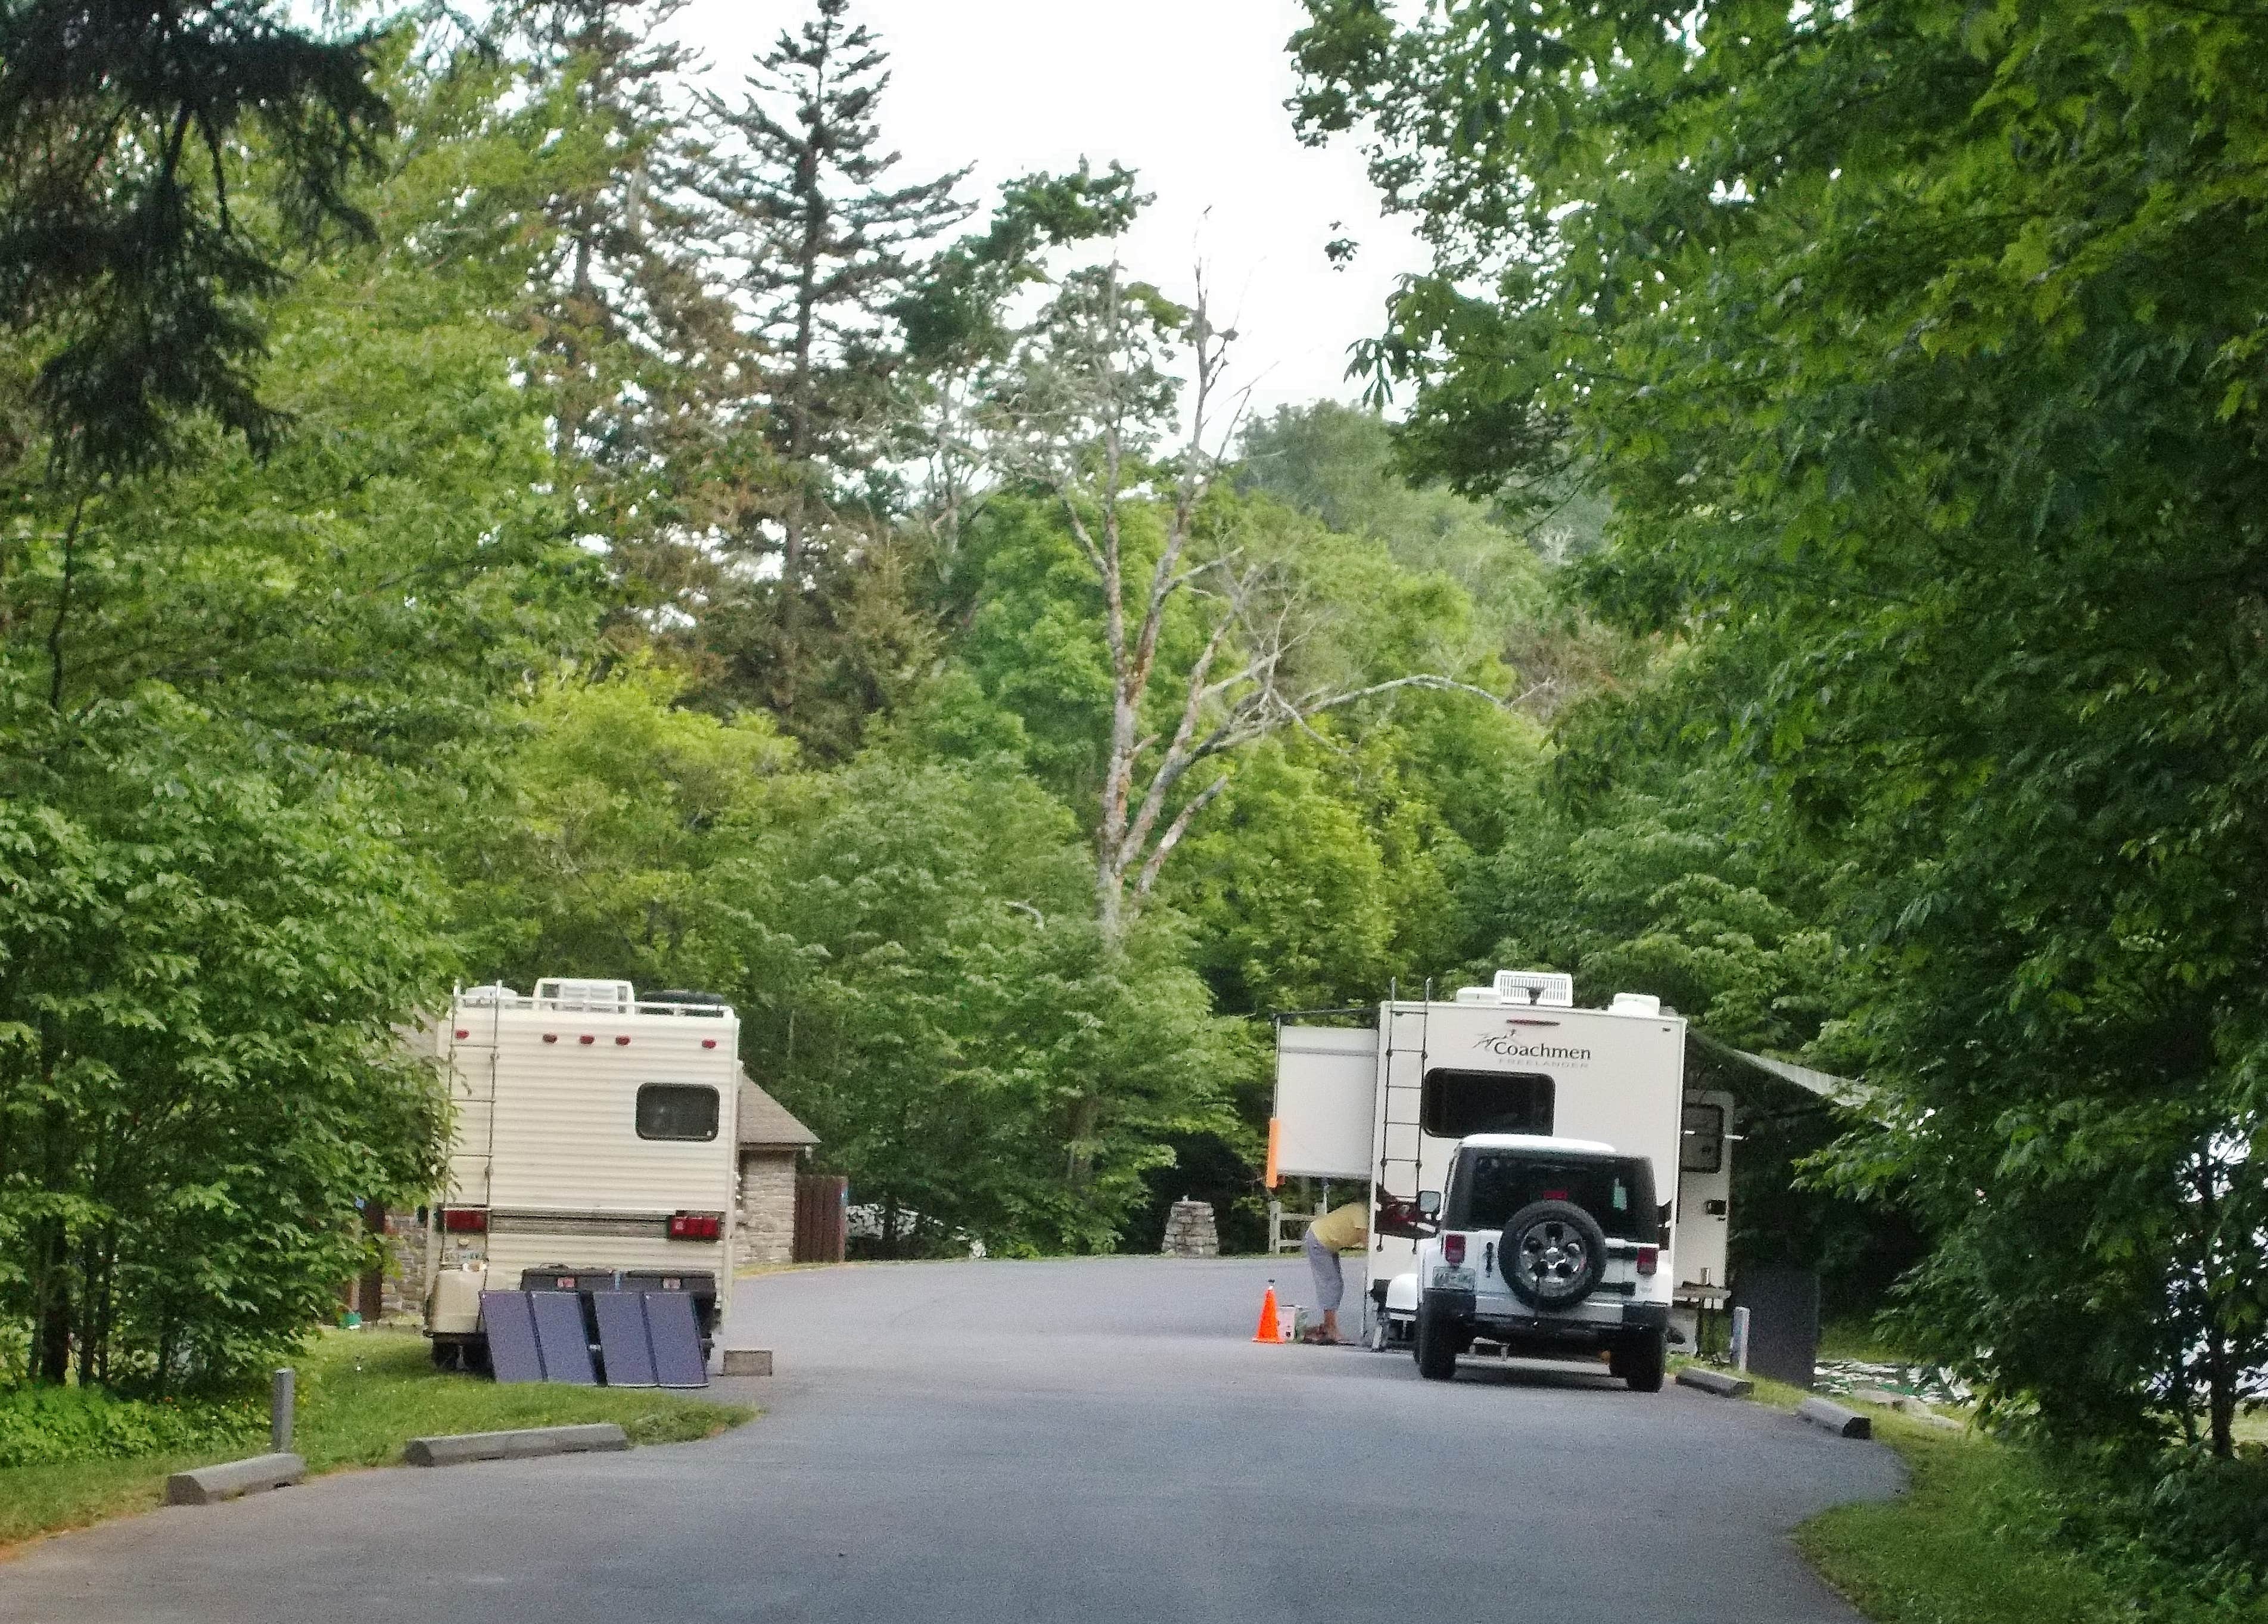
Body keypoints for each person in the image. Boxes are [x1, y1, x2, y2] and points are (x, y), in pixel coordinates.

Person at [1301, 1199, 1368, 1344]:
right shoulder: (1361, 1213)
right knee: (1331, 1284)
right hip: (1319, 1239)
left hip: (1328, 1242)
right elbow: (1366, 1240)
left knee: (1336, 1284)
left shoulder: (1360, 1209)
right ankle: (1331, 1329)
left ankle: (1325, 1326)